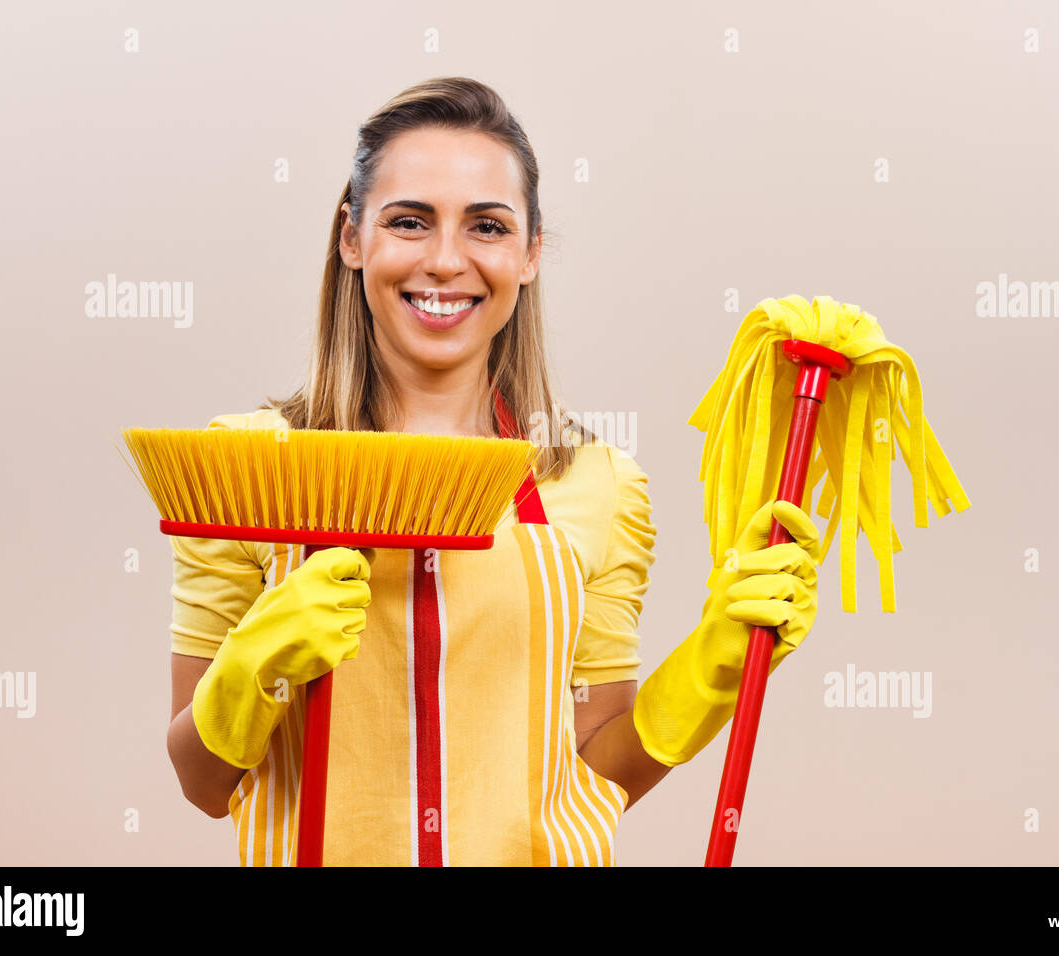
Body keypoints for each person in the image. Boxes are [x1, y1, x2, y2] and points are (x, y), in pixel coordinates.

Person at [164, 76, 820, 866]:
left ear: (530, 252)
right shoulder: (250, 470)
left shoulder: (598, 487)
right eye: (409, 221)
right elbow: (202, 784)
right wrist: (252, 668)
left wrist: (713, 668)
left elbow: (597, 764)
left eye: (486, 227)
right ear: (351, 238)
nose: (446, 262)